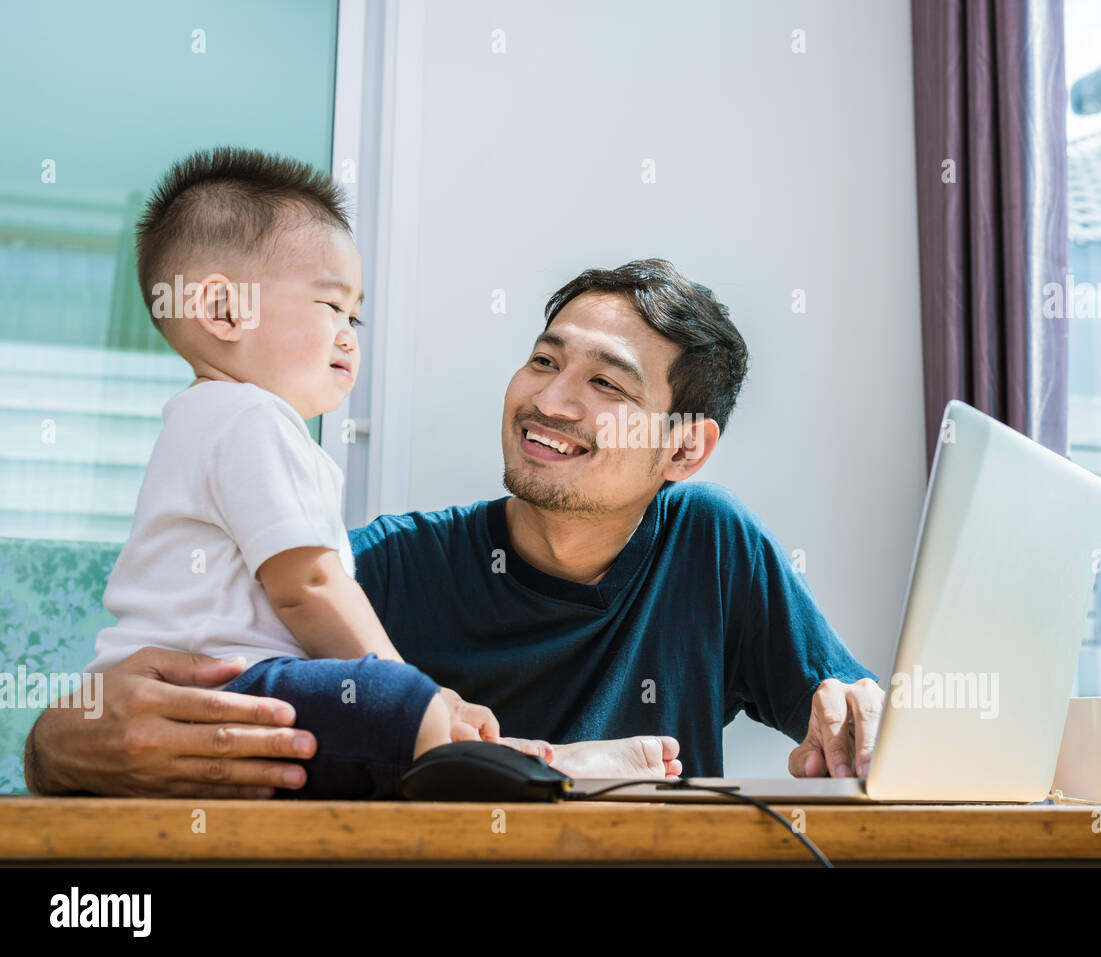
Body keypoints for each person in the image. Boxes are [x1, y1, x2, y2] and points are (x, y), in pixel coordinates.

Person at [25, 253, 884, 798]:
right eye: (544, 360)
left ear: (684, 449)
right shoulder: (389, 566)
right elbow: (190, 679)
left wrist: (866, 723)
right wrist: (58, 742)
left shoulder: (711, 546)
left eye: (607, 385)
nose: (550, 399)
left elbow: (855, 719)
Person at [74, 146, 675, 799]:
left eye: (354, 316)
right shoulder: (247, 419)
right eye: (332, 306)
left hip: (219, 702)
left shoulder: (214, 421)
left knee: (386, 735)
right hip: (217, 694)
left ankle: (524, 760)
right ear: (223, 310)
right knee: (388, 700)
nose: (349, 335)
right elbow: (306, 582)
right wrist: (417, 692)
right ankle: (547, 768)